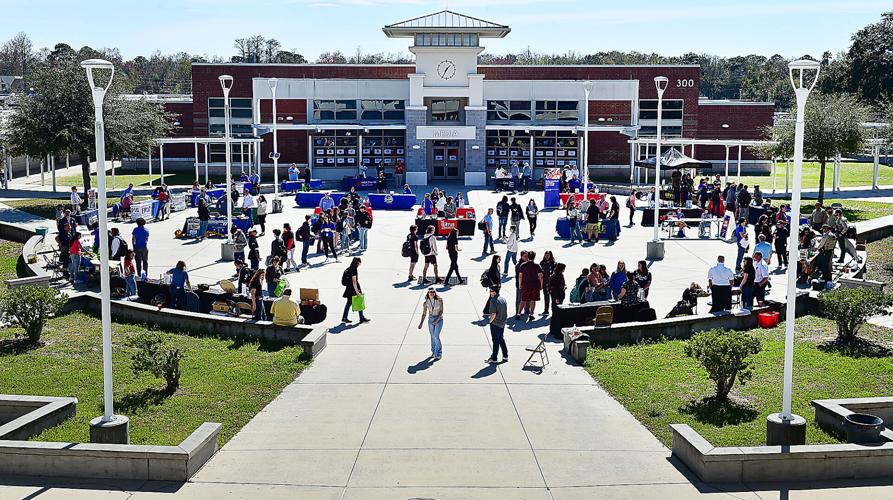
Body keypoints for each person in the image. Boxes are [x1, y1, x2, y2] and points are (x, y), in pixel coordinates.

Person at [418, 287, 444, 360]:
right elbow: (424, 314)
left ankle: (439, 353)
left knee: (436, 336)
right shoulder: (425, 303)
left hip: (439, 319)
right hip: (431, 320)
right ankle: (434, 352)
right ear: (428, 293)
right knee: (432, 336)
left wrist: (437, 320)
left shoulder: (439, 300)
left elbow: (441, 311)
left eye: (433, 292)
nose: (432, 293)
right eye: (430, 292)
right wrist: (421, 323)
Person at [485, 286, 509, 364]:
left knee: (495, 341)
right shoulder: (503, 299)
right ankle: (505, 355)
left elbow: (493, 314)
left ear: (494, 292)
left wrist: (490, 322)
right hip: (502, 323)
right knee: (501, 338)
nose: (490, 293)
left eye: (491, 291)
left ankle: (494, 357)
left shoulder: (493, 300)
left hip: (495, 323)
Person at [342, 257, 369, 323]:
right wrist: (357, 292)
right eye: (360, 263)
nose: (360, 264)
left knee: (348, 303)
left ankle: (344, 317)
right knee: (359, 301)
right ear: (357, 263)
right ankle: (361, 318)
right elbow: (354, 281)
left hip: (349, 288)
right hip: (353, 289)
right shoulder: (354, 270)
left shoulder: (349, 268)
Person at [518, 250, 543, 320]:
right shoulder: (537, 266)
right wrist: (541, 285)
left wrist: (520, 284)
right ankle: (531, 314)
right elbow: (541, 276)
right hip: (535, 285)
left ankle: (518, 313)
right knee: (533, 300)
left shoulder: (523, 265)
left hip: (526, 285)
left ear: (528, 257)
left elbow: (520, 276)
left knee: (523, 300)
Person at [540, 251, 555, 315]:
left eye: (548, 255)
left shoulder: (554, 264)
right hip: (544, 283)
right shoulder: (542, 263)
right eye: (545, 255)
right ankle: (546, 310)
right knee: (546, 297)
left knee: (553, 297)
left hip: (552, 283)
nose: (547, 256)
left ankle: (554, 310)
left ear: (550, 255)